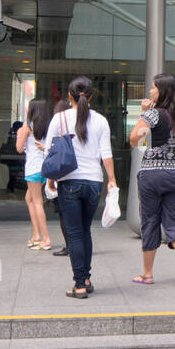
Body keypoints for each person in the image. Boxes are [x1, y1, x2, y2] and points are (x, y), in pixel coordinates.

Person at [44, 76, 116, 300]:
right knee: (85, 231)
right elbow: (106, 154)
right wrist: (112, 179)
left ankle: (79, 285)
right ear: (91, 96)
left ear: (69, 97)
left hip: (70, 182)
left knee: (74, 234)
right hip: (94, 183)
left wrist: (50, 180)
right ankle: (85, 278)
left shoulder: (60, 119)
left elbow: (49, 151)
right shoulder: (101, 121)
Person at [129, 72, 175, 289]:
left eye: (153, 87)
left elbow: (134, 139)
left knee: (150, 221)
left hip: (152, 175)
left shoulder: (152, 115)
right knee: (172, 221)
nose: (150, 91)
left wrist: (143, 114)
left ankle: (147, 274)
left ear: (162, 91)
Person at [15, 99, 51, 249]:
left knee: (37, 201)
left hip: (33, 168)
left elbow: (18, 148)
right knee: (29, 198)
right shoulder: (47, 127)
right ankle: (36, 235)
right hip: (44, 168)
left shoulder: (27, 127)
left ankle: (46, 239)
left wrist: (19, 135)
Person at [49, 97, 71, 256]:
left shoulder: (58, 123)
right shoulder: (86, 122)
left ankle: (70, 246)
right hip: (86, 176)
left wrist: (50, 179)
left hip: (63, 175)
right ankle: (80, 247)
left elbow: (51, 151)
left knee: (64, 214)